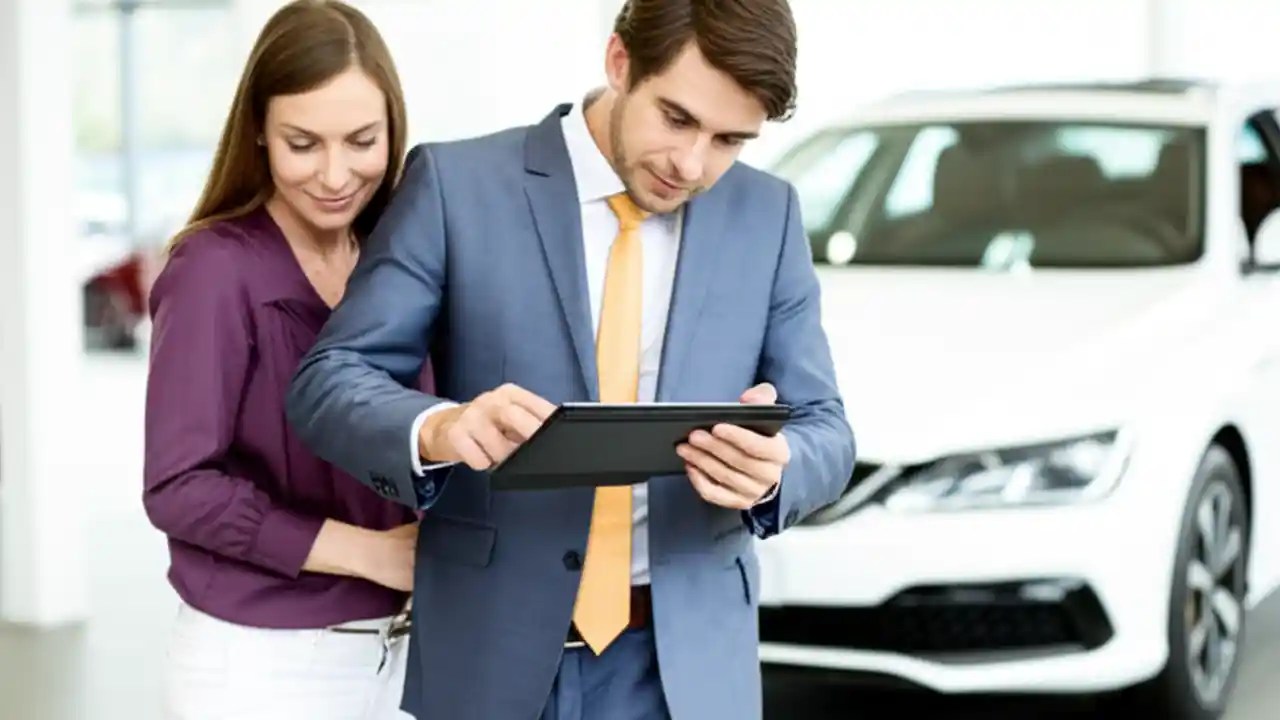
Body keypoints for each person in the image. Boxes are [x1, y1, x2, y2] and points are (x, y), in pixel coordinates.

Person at [287, 0, 856, 718]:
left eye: (730, 140)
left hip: (687, 670)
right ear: (619, 62)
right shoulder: (456, 186)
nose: (692, 164)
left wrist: (781, 470)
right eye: (677, 119)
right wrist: (437, 428)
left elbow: (826, 429)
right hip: (493, 655)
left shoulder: (767, 214)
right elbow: (329, 380)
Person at [142, 2, 420, 717]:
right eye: (303, 143)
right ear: (259, 134)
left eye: (362, 140)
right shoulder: (213, 270)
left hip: (398, 653)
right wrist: (371, 552)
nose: (335, 174)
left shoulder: (398, 258)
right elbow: (178, 486)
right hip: (261, 665)